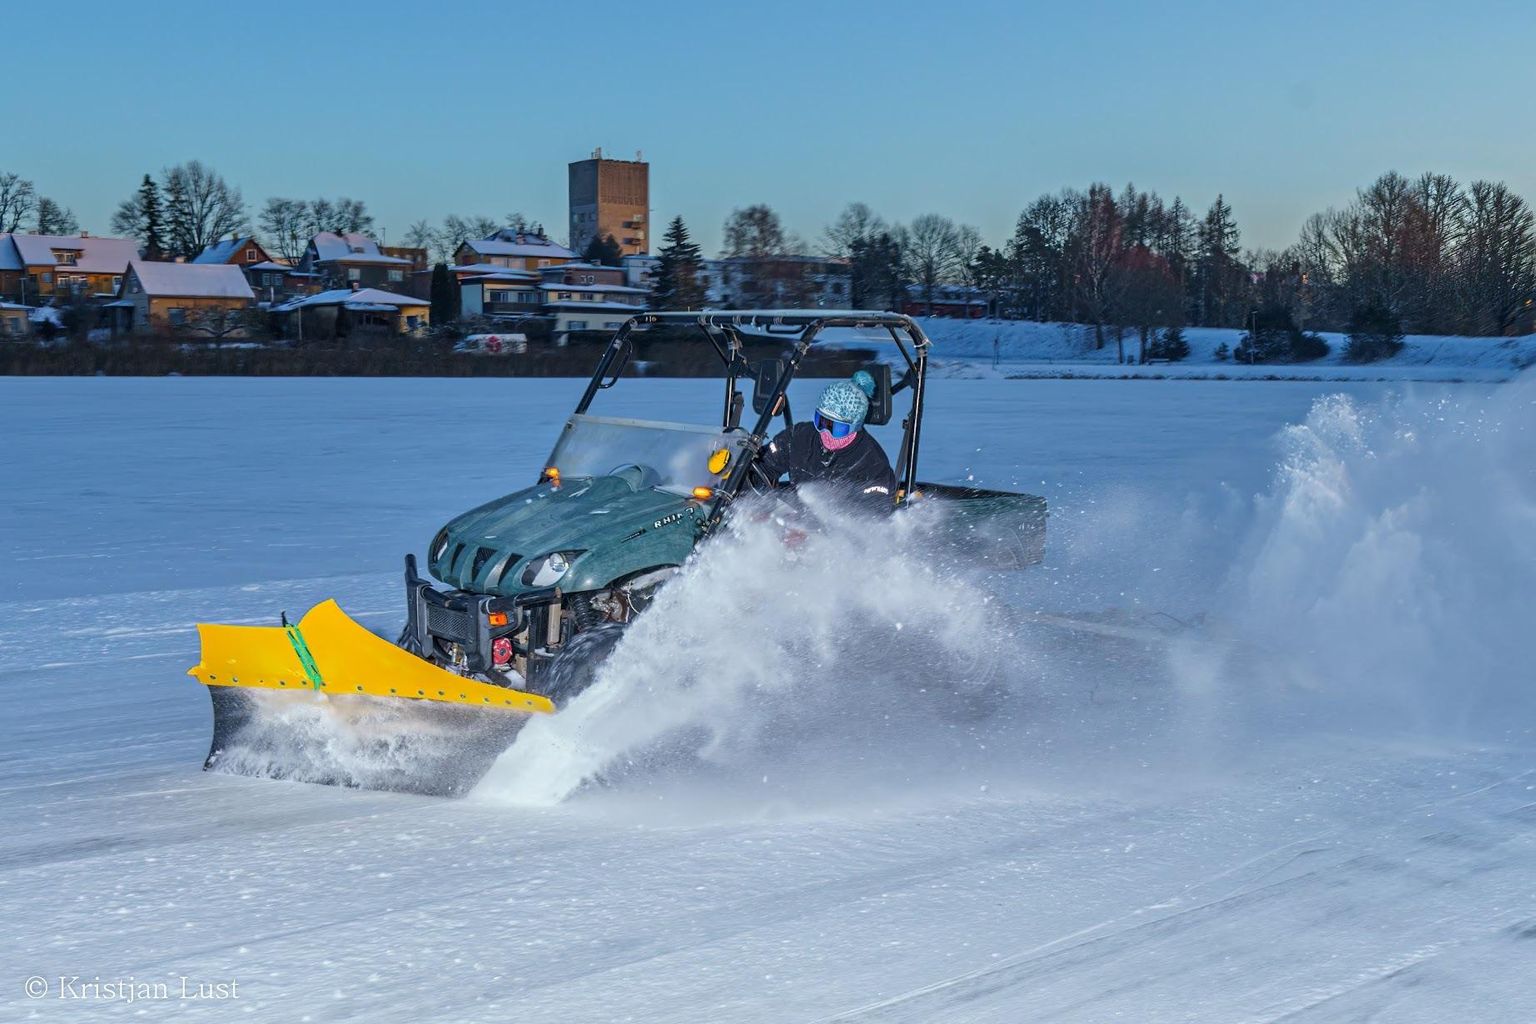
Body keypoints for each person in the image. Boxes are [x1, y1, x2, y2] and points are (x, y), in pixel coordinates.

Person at [754, 371, 896, 513]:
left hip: (833, 531)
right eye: (821, 421)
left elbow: (870, 522)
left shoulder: (873, 466)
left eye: (838, 428)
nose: (826, 432)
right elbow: (762, 468)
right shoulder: (798, 437)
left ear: (855, 427)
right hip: (788, 522)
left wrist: (809, 530)